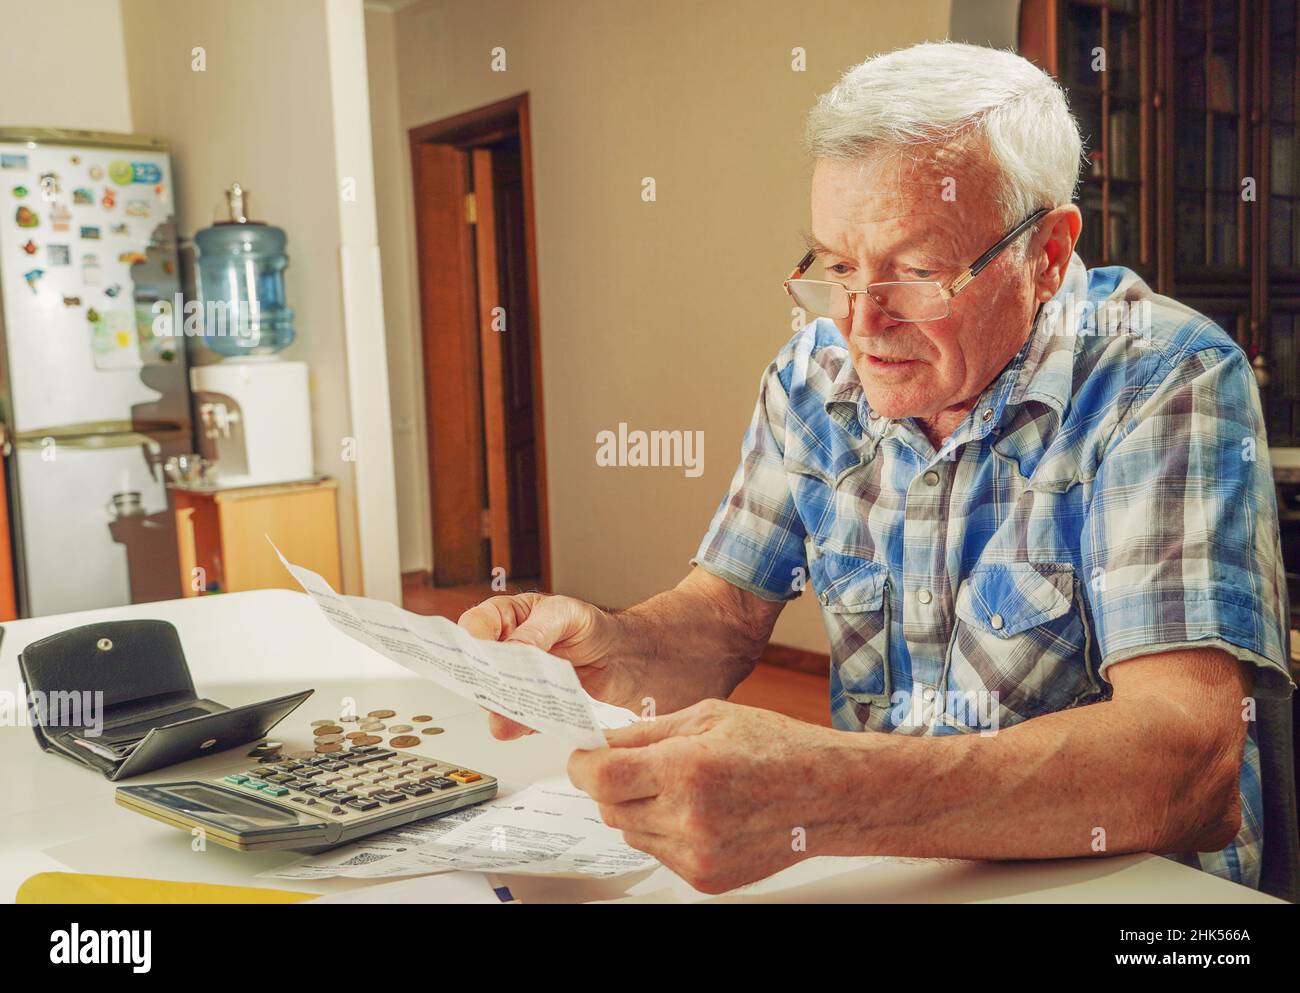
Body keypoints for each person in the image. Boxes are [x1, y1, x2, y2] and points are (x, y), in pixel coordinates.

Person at [459, 41, 1294, 895]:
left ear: (1046, 254)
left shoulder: (1165, 378)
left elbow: (1185, 763)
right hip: (904, 871)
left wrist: (830, 794)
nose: (860, 325)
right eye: (838, 267)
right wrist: (614, 646)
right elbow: (725, 615)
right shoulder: (813, 375)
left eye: (917, 271)